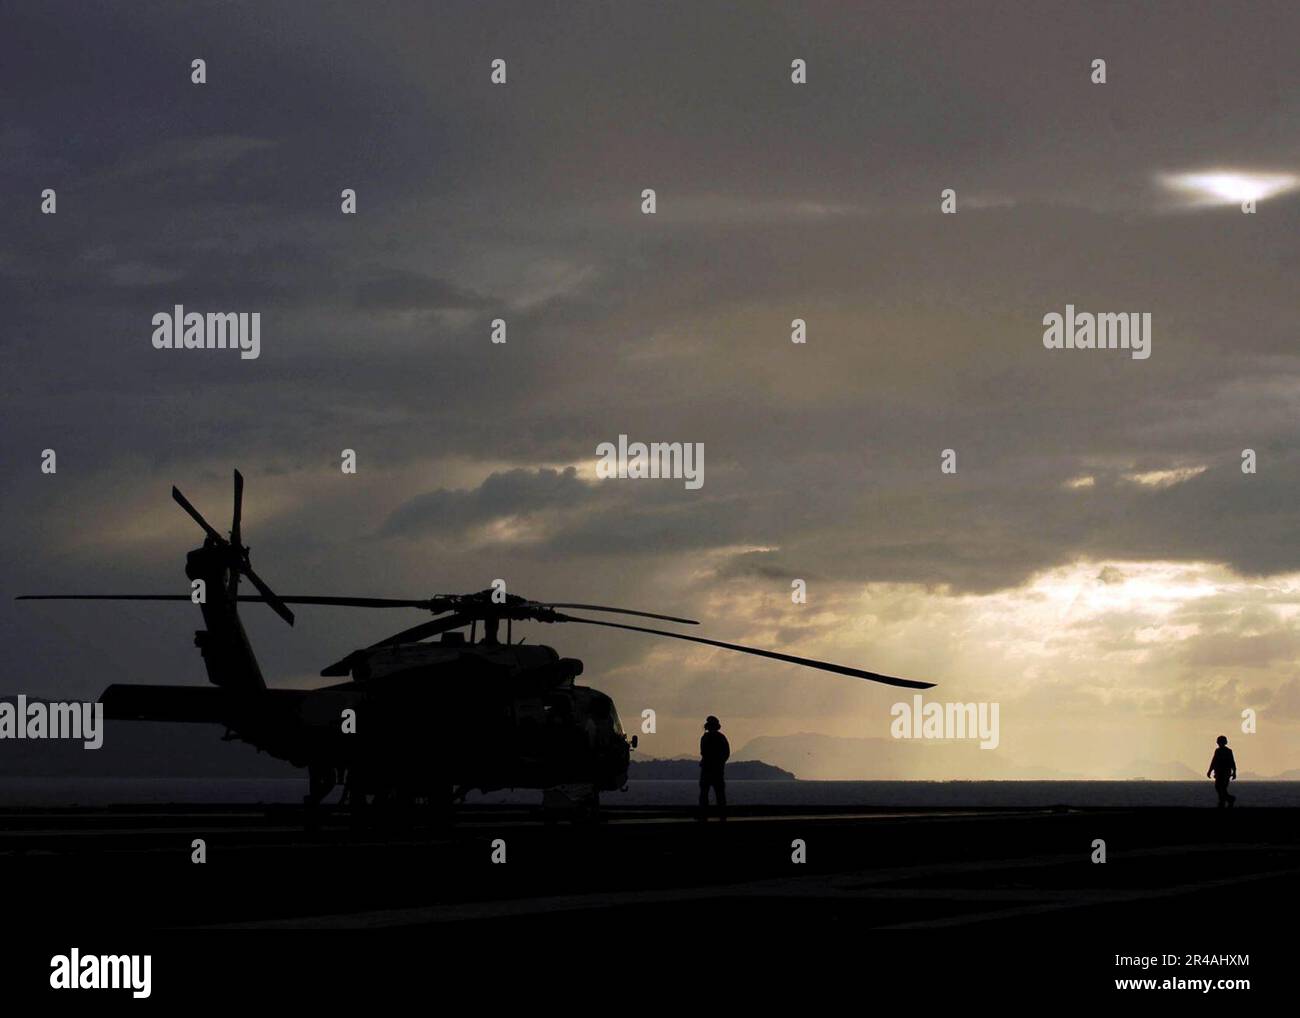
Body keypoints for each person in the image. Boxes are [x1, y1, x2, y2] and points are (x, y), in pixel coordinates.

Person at [698, 715, 730, 820]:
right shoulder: (721, 737)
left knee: (705, 793)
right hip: (717, 770)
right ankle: (722, 815)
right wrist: (720, 763)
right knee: (719, 794)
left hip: (708, 769)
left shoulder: (705, 737)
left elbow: (703, 752)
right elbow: (726, 753)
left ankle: (704, 814)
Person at [1207, 735, 1237, 808]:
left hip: (1225, 773)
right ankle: (1225, 801)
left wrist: (1234, 772)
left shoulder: (1227, 751)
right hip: (1220, 773)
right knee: (1219, 788)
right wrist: (1210, 770)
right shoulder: (1218, 751)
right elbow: (1214, 761)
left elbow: (1232, 762)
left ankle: (1226, 800)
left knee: (1221, 788)